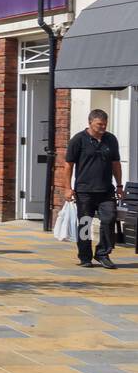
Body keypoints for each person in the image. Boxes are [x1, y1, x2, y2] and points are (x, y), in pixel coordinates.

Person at [66, 108, 124, 269]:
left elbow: (116, 164)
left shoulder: (111, 140)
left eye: (105, 124)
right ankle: (85, 256)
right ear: (90, 122)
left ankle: (102, 254)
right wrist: (67, 188)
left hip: (106, 191)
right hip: (84, 191)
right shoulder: (78, 140)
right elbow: (68, 165)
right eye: (100, 124)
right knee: (85, 223)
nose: (103, 127)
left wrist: (119, 185)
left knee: (109, 219)